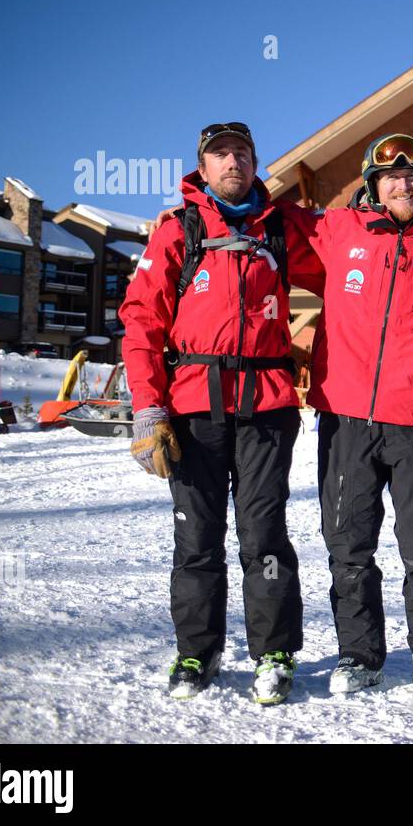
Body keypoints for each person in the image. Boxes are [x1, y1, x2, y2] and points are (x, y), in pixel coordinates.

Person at [122, 122, 324, 705]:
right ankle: (197, 651)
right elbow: (141, 321)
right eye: (220, 154)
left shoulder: (282, 229)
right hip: (191, 409)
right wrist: (147, 407)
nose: (232, 161)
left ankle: (274, 653)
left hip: (267, 407)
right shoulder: (178, 232)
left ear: (256, 163)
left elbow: (348, 268)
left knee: (264, 535)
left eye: (242, 153)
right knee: (197, 538)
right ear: (202, 168)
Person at [283, 133, 413, 697]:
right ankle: (358, 655)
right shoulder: (337, 232)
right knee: (348, 543)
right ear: (371, 184)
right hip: (344, 416)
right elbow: (266, 217)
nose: (402, 183)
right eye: (390, 175)